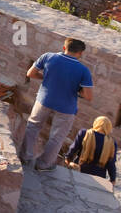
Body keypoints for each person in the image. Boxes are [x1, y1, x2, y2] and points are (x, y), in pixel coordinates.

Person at [21, 38, 94, 171]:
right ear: (80, 53)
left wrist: (46, 78)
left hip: (44, 99)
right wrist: (77, 90)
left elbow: (30, 73)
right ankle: (43, 164)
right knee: (57, 137)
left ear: (64, 47)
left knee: (32, 127)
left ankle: (25, 157)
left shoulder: (48, 57)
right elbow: (88, 96)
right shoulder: (83, 70)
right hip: (66, 107)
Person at [65, 116, 117, 183]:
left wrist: (68, 160)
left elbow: (73, 149)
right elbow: (111, 163)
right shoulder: (112, 143)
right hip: (98, 178)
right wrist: (113, 179)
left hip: (79, 170)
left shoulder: (84, 133)